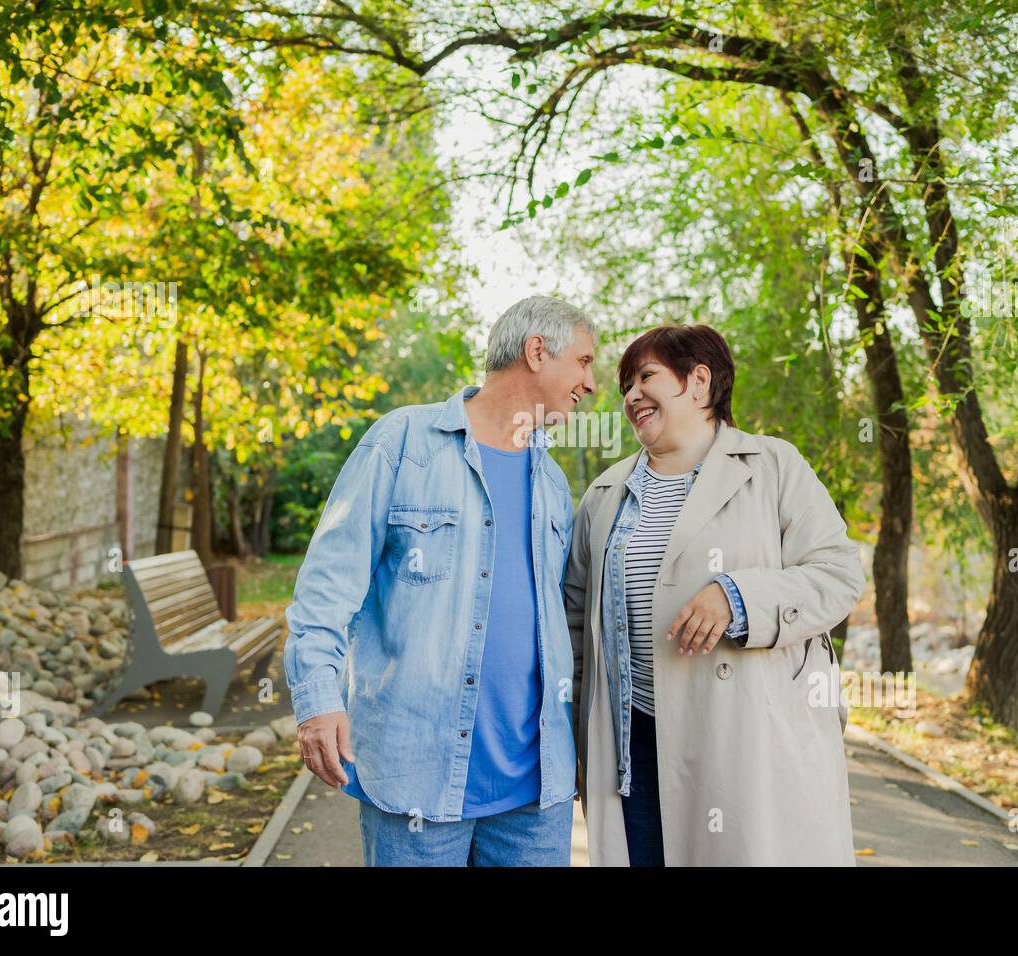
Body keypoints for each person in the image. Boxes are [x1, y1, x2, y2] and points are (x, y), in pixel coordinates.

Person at [284, 295, 596, 866]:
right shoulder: (402, 443)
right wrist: (317, 701)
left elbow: (562, 621)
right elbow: (326, 589)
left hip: (535, 792)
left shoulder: (551, 480)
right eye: (583, 361)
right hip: (417, 780)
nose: (591, 382)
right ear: (535, 351)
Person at [565, 323, 865, 866]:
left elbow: (839, 574)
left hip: (743, 741)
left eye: (646, 377)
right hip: (632, 751)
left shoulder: (773, 467)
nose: (631, 396)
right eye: (625, 386)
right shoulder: (605, 494)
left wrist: (739, 595)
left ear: (699, 382)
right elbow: (575, 627)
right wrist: (575, 743)